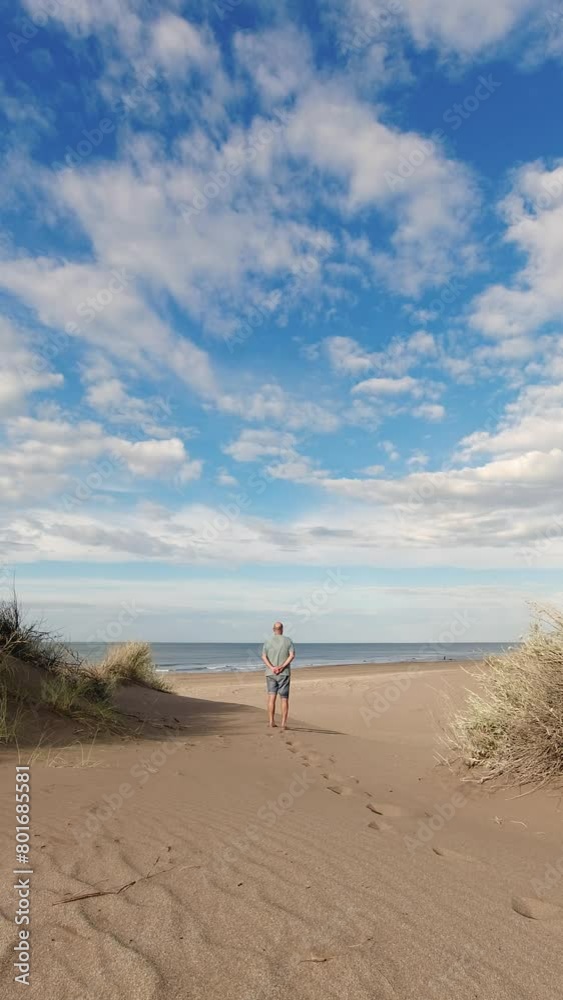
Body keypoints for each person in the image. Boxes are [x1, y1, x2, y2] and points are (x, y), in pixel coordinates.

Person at [261, 621, 295, 730]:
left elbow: (264, 657)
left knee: (272, 697)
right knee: (284, 699)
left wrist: (272, 667)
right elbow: (292, 655)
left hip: (270, 673)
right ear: (282, 629)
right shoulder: (288, 640)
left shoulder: (267, 641)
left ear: (273, 629)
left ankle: (271, 721)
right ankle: (283, 724)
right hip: (284, 673)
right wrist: (282, 666)